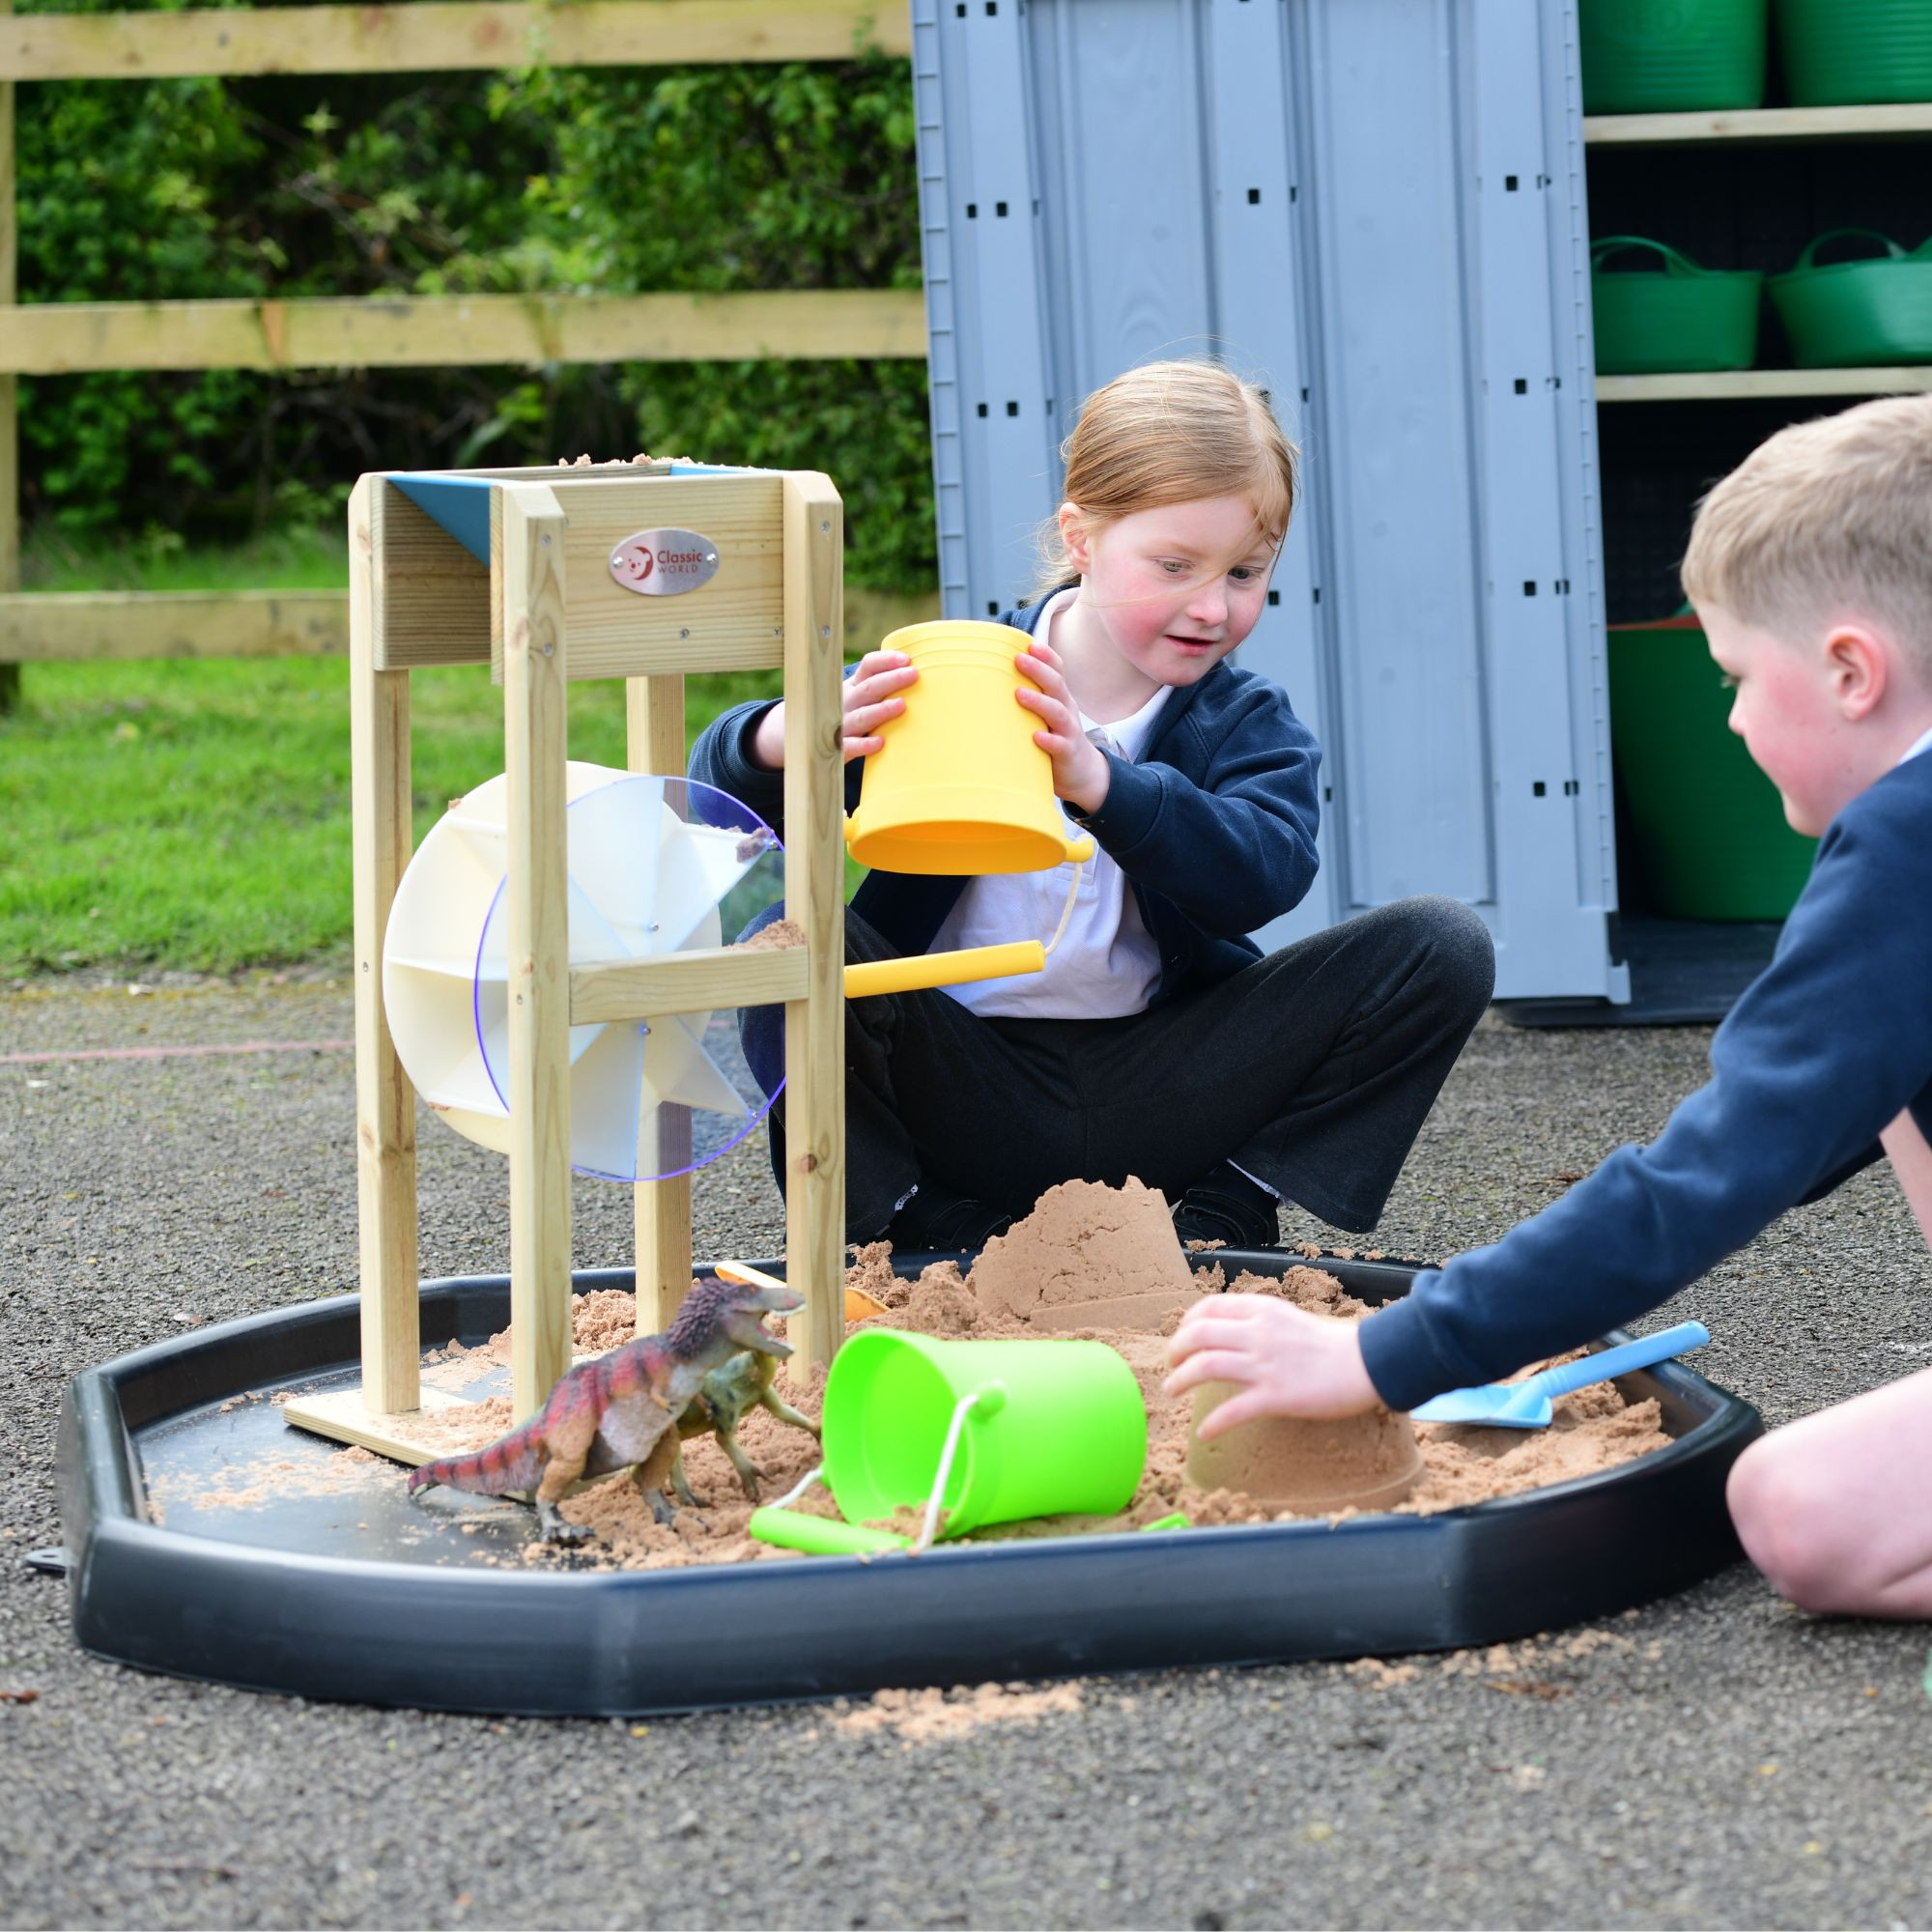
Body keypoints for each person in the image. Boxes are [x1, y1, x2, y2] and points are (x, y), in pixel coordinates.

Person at [1167, 394, 1932, 1619]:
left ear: (1849, 669)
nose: (1728, 717)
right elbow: (1804, 1130)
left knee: (1793, 1507)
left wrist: (1376, 1351)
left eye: (1734, 675)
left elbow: (1710, 1172)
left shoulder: (1904, 844)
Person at [690, 358, 1493, 1255]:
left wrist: (1103, 785)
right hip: (961, 1087)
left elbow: (1264, 875)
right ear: (1081, 537)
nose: (1211, 606)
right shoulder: (954, 675)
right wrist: (779, 735)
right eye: (1175, 565)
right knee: (786, 935)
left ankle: (1233, 1206)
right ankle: (912, 1220)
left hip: (1169, 1090)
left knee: (1444, 942)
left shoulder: (1246, 719)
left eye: (1245, 573)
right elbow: (718, 812)